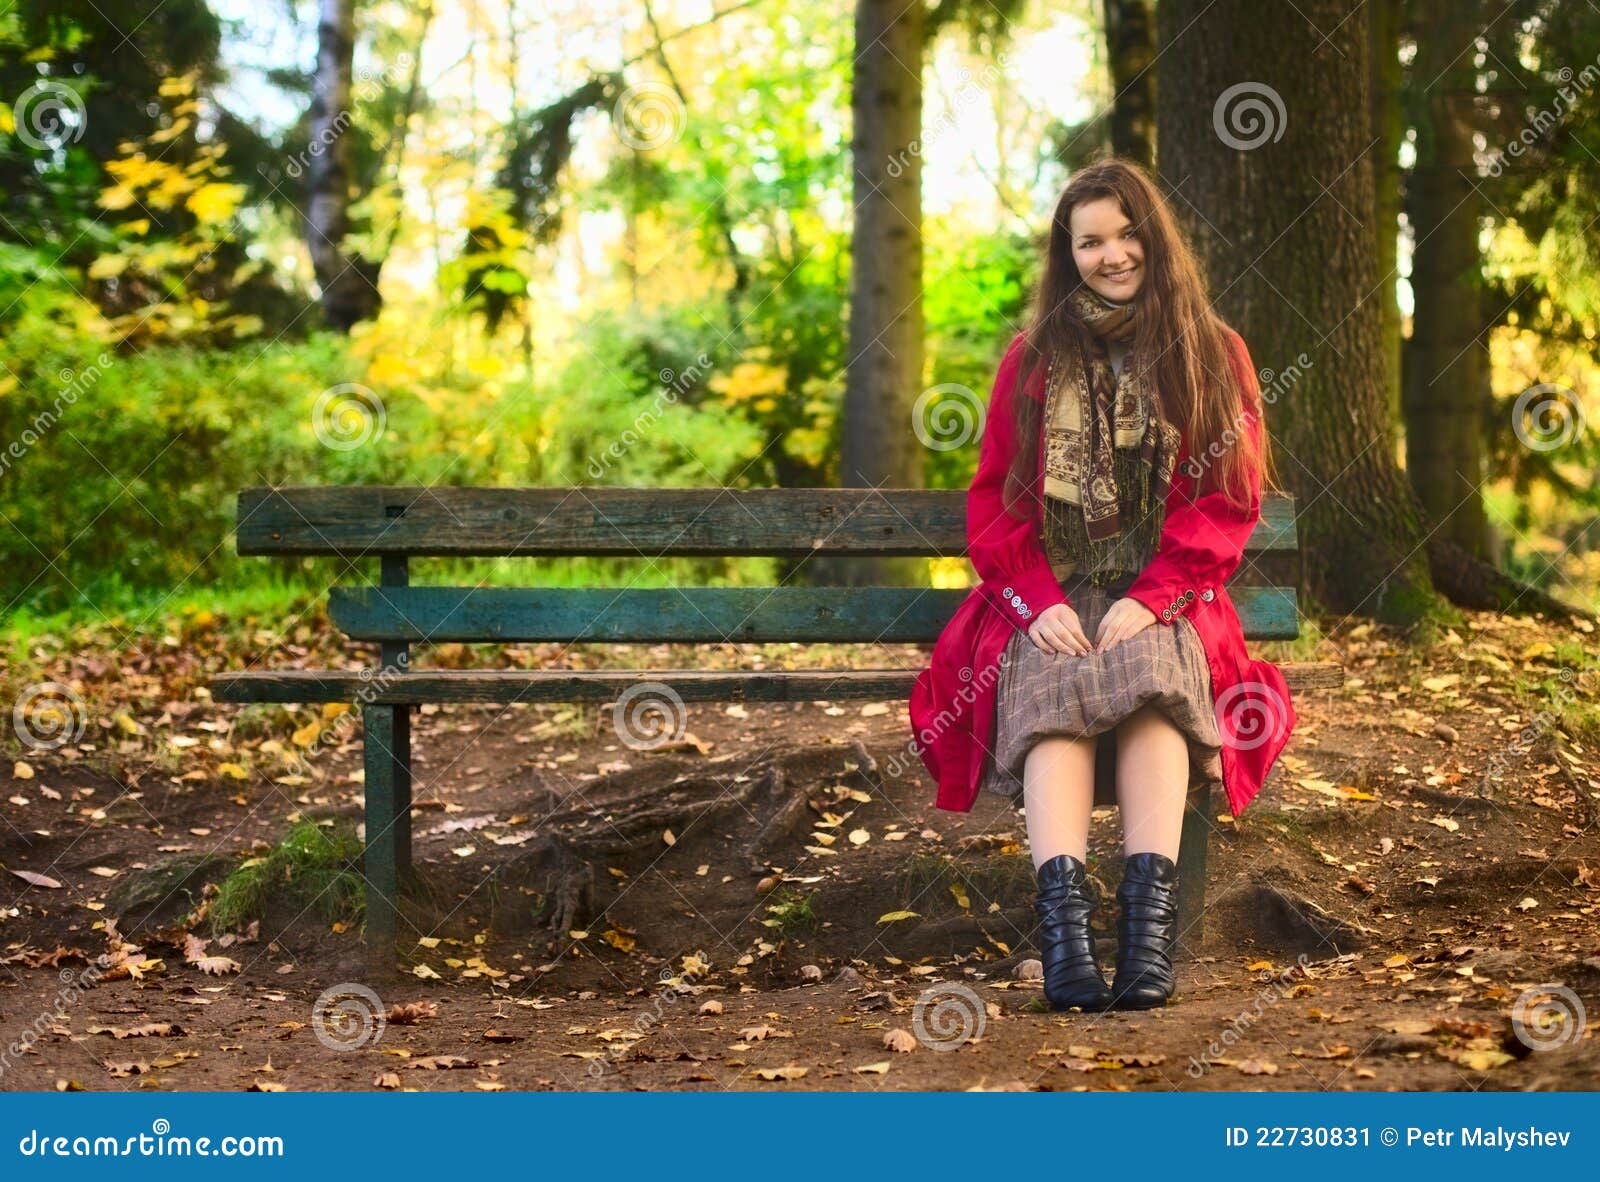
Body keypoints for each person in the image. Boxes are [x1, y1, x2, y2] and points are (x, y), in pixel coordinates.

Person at [908, 157, 1297, 1013]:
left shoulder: (1211, 351)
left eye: (1127, 235)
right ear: (1068, 252)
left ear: (1153, 240)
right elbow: (998, 502)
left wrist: (1153, 598)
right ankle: (1066, 943)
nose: (1112, 254)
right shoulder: (1034, 359)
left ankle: (1147, 941)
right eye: (1091, 241)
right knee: (1054, 691)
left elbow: (1226, 500)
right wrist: (1036, 602)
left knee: (1153, 686)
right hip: (1052, 591)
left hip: (1169, 594)